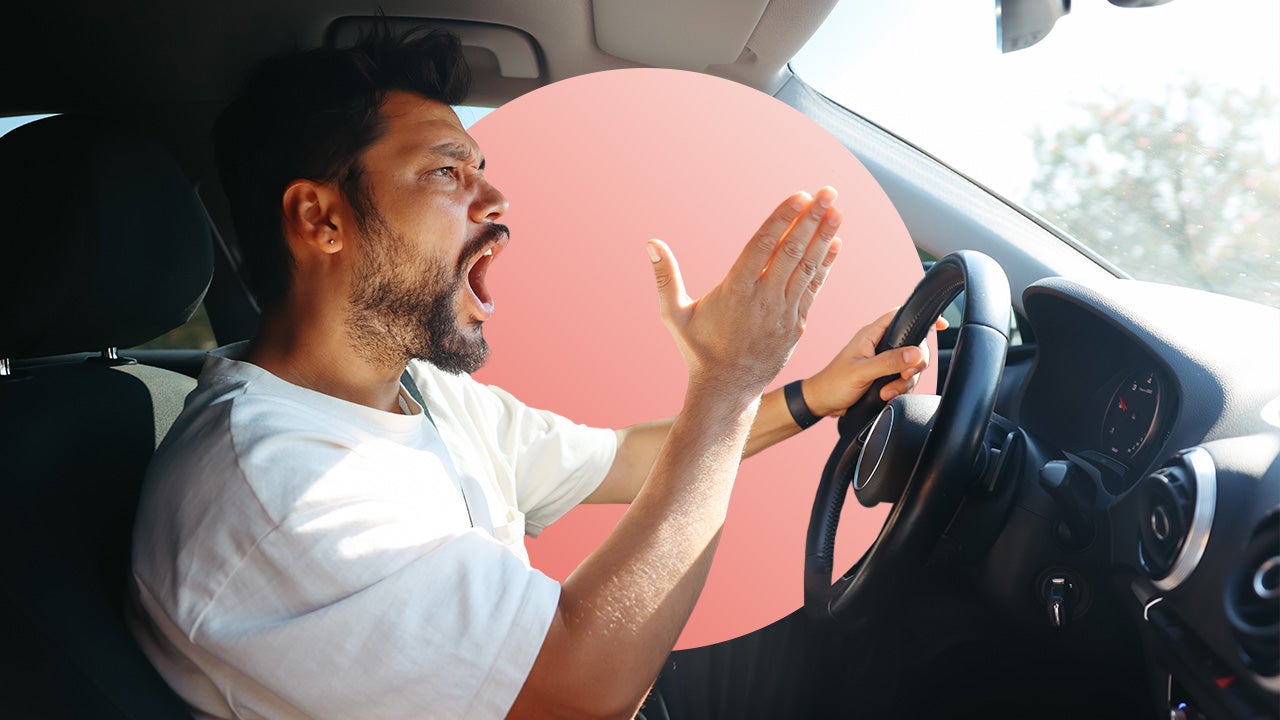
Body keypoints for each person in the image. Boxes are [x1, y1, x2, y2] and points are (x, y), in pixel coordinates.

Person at [129, 28, 935, 720]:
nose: (497, 199)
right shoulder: (272, 489)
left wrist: (812, 397)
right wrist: (724, 383)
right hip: (580, 683)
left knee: (871, 648)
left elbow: (621, 459)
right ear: (321, 219)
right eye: (448, 173)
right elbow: (581, 693)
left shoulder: (420, 393)